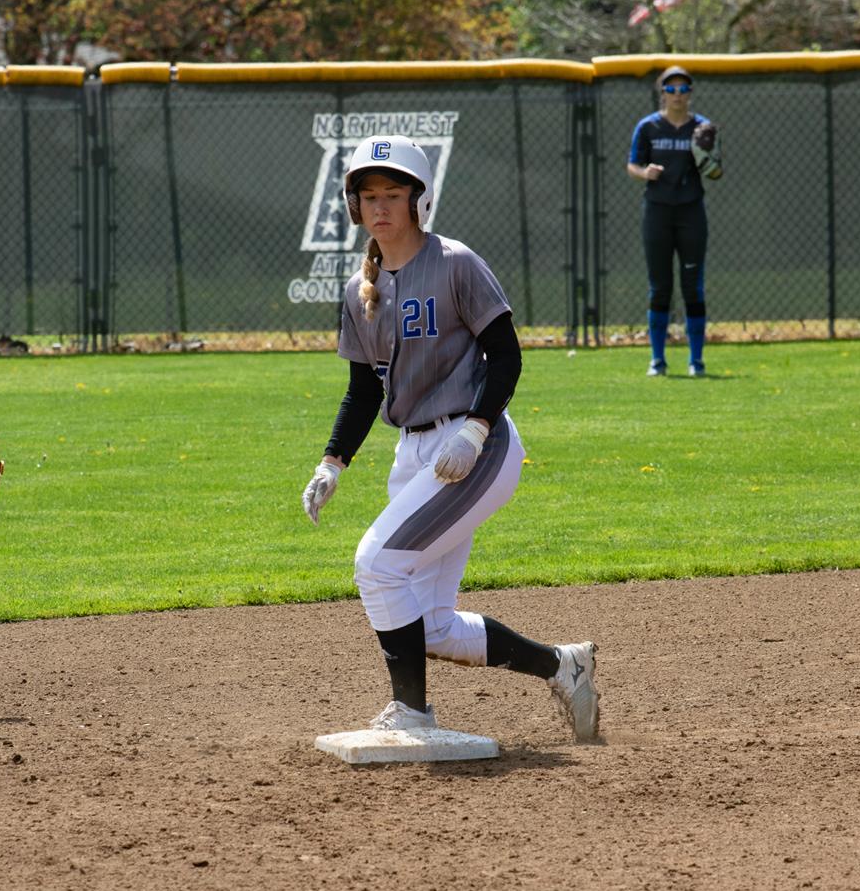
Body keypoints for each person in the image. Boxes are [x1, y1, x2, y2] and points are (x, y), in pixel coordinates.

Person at [300, 134, 600, 741]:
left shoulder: (456, 262)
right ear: (354, 207)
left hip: (473, 446)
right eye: (369, 195)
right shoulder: (360, 291)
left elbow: (507, 357)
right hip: (414, 453)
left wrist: (476, 428)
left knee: (377, 565)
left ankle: (412, 713)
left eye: (393, 193)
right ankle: (562, 667)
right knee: (430, 626)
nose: (381, 205)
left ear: (420, 201)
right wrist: (332, 462)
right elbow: (363, 391)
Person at [626, 64, 722, 378]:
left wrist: (707, 161)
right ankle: (657, 360)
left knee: (693, 287)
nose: (677, 94)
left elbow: (716, 172)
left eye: (683, 89)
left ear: (690, 93)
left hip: (691, 212)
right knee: (660, 287)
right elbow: (632, 165)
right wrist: (645, 172)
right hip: (658, 212)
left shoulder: (702, 127)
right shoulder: (648, 127)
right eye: (670, 88)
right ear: (662, 93)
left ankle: (696, 361)